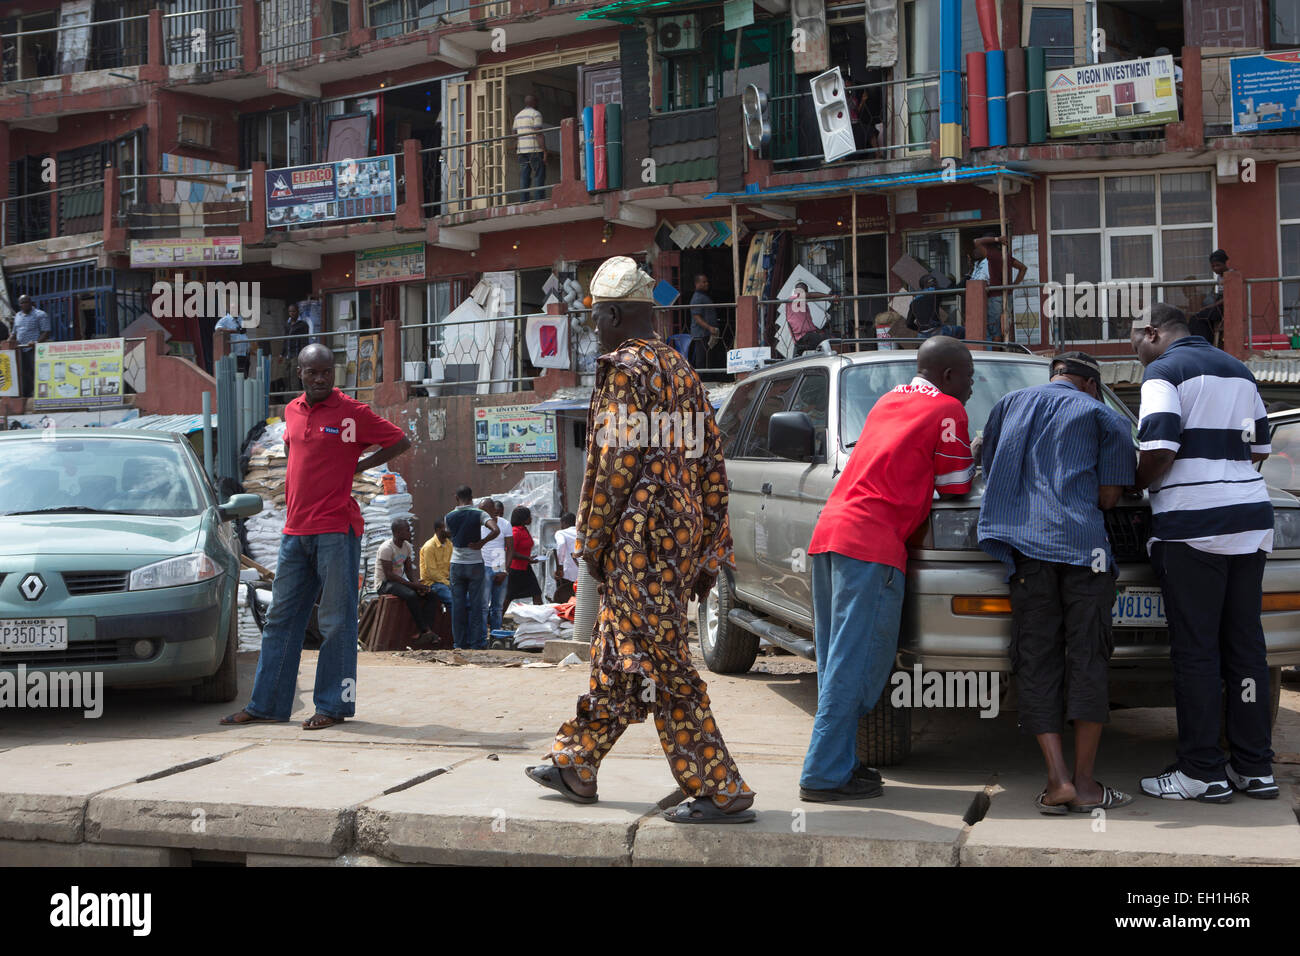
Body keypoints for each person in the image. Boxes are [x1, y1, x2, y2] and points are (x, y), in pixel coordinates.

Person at [526, 255, 755, 824]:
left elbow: (611, 466)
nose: (593, 325)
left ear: (613, 315)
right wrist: (709, 550)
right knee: (618, 653)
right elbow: (711, 465)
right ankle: (576, 760)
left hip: (639, 541)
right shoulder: (683, 371)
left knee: (663, 662)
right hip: (679, 540)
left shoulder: (624, 370)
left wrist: (592, 545)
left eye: (597, 316)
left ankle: (719, 787)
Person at [799, 336, 974, 801]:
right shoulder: (949, 408)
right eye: (971, 379)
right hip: (872, 546)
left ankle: (843, 762)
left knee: (836, 660)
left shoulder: (888, 400)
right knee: (858, 665)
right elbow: (956, 486)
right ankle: (822, 774)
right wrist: (977, 451)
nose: (972, 390)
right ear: (951, 376)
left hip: (830, 533)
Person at [221, 343, 411, 730]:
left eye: (327, 372)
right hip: (294, 532)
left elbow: (400, 441)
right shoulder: (291, 411)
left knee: (337, 621)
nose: (321, 378)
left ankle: (333, 706)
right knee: (280, 619)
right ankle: (266, 705)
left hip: (336, 531)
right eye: (313, 372)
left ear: (334, 373)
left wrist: (358, 463)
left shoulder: (352, 413)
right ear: (301, 374)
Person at [978, 351, 1136, 814]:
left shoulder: (1009, 405)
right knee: (1088, 657)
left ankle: (1057, 780)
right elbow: (1109, 498)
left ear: (1056, 377)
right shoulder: (1104, 417)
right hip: (1085, 550)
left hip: (1027, 552)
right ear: (1091, 384)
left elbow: (990, 468)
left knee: (1035, 659)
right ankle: (1087, 783)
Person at [1131, 304, 1277, 802]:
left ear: (1154, 333)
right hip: (1251, 519)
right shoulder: (1240, 369)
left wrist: (1134, 484)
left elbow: (1160, 446)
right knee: (1246, 647)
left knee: (1196, 651)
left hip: (1193, 523)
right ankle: (1254, 768)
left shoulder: (1162, 372)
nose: (1137, 353)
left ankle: (1201, 772)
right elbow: (1259, 448)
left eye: (1136, 342)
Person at [445, 486, 498, 650]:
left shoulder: (449, 516)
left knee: (458, 607)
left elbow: (448, 533)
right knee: (476, 606)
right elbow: (495, 530)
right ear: (472, 497)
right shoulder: (479, 514)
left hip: (457, 564)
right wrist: (481, 543)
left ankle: (459, 644)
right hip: (475, 564)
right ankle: (476, 644)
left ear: (456, 498)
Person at [374, 517, 439, 639]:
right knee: (410, 595)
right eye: (407, 530)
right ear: (397, 533)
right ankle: (423, 629)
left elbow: (408, 570)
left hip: (397, 582)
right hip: (384, 584)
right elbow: (389, 575)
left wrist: (417, 585)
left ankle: (427, 630)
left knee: (432, 594)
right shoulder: (386, 548)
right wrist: (413, 586)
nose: (410, 533)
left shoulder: (407, 547)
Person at [971, 233, 1026, 347]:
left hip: (995, 296)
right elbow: (1023, 268)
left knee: (995, 331)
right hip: (1008, 295)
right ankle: (1006, 352)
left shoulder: (990, 255)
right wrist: (1014, 285)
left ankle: (997, 356)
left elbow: (976, 240)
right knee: (1005, 328)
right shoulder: (1006, 256)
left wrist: (997, 239)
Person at [9, 295, 51, 398]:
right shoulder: (18, 316)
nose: (24, 304)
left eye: (26, 302)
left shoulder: (40, 314)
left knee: (36, 372)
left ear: (31, 303)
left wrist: (36, 342)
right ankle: (26, 394)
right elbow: (14, 332)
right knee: (22, 372)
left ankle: (40, 393)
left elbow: (46, 332)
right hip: (20, 349)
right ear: (19, 305)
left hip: (34, 349)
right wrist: (9, 341)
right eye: (22, 303)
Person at [479, 497, 510, 636]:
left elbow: (510, 548)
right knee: (483, 606)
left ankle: (496, 636)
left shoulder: (505, 524)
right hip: (483, 567)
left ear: (493, 510)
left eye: (484, 510)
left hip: (499, 566)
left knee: (497, 607)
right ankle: (482, 636)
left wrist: (504, 570)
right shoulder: (477, 525)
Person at [1189, 249, 1232, 347]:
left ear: (1225, 263)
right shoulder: (1219, 277)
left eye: (1218, 265)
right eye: (1213, 266)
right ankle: (1196, 343)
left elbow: (1227, 298)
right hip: (1217, 305)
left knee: (1200, 317)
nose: (1215, 268)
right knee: (1195, 318)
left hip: (1223, 307)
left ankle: (1204, 344)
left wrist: (1210, 306)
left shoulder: (1230, 275)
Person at [503, 506, 543, 608]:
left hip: (525, 568)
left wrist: (529, 559)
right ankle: (493, 620)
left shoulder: (524, 530)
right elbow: (510, 551)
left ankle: (540, 618)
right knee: (508, 597)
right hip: (515, 570)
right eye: (529, 516)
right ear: (522, 518)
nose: (531, 519)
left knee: (536, 593)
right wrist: (527, 558)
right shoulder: (515, 531)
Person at [906, 274, 965, 340]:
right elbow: (956, 289)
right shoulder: (934, 290)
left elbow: (909, 324)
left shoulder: (913, 301)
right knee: (964, 331)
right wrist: (967, 276)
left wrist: (922, 330)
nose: (936, 283)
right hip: (938, 332)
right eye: (934, 281)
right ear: (927, 283)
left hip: (922, 336)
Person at [513, 93, 546, 202]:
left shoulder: (518, 116)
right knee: (539, 174)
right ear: (533, 102)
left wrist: (520, 143)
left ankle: (523, 200)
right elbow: (539, 133)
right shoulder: (536, 114)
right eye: (537, 102)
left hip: (522, 151)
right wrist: (544, 151)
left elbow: (514, 133)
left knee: (524, 176)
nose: (538, 104)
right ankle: (538, 199)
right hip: (535, 150)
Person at [785, 281, 832, 355]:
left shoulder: (802, 306)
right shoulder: (793, 299)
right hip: (804, 337)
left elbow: (809, 325)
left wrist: (819, 330)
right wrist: (830, 297)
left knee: (830, 337)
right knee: (831, 342)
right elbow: (809, 295)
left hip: (806, 336)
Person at [418, 519, 454, 613]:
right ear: (438, 530)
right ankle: (457, 627)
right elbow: (432, 573)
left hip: (446, 581)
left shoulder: (449, 545)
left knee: (467, 599)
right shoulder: (429, 547)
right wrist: (448, 583)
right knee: (453, 601)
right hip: (432, 583)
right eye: (447, 528)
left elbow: (452, 566)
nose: (450, 530)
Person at [688, 274, 720, 370]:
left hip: (706, 333)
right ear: (697, 283)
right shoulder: (697, 298)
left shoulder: (703, 296)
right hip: (701, 334)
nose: (707, 284)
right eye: (704, 282)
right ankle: (701, 379)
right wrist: (710, 328)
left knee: (707, 358)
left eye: (707, 282)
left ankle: (707, 377)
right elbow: (697, 317)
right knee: (701, 359)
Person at [552, 511, 579, 603]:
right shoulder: (581, 532)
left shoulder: (561, 533)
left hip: (568, 570)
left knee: (565, 595)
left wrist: (560, 565)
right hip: (582, 568)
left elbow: (561, 544)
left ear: (563, 523)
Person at [215, 310, 250, 375]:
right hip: (234, 353)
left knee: (244, 374)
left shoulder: (240, 318)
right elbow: (218, 328)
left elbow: (242, 331)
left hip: (244, 352)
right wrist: (233, 331)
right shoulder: (226, 319)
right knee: (236, 374)